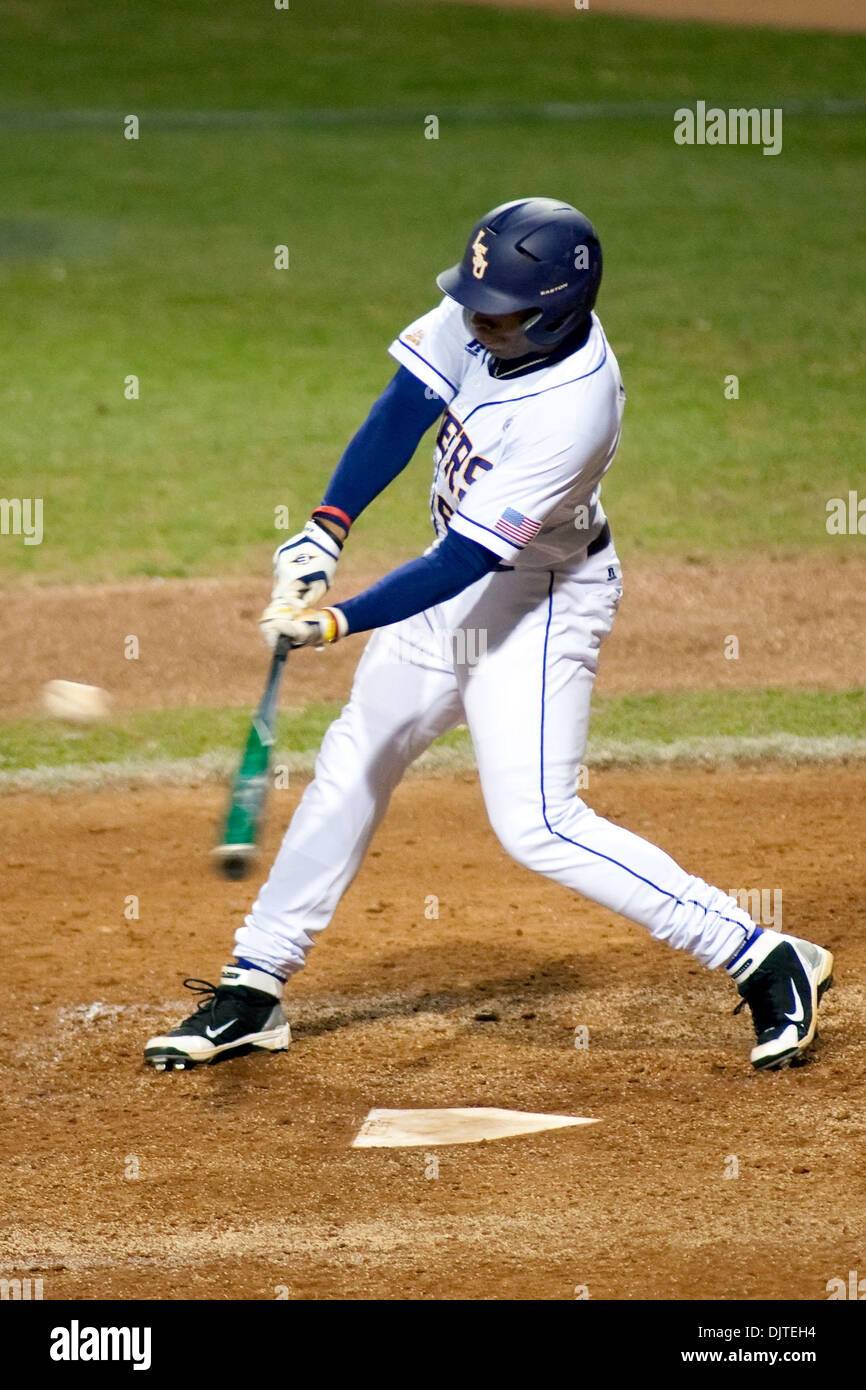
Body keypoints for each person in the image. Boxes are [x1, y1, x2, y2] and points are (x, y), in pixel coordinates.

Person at [144, 197, 833, 1075]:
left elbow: (469, 556)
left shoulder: (573, 408)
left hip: (539, 600)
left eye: (499, 311)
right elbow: (405, 405)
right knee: (357, 757)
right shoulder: (486, 306)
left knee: (538, 822)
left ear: (554, 311)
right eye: (473, 300)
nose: (477, 320)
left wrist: (338, 619)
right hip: (455, 581)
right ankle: (254, 987)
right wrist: (326, 527)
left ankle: (764, 956)